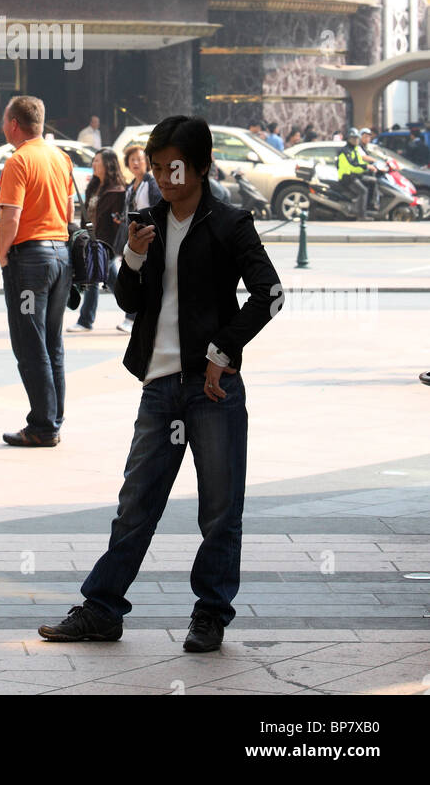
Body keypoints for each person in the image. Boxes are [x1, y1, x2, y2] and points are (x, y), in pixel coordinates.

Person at [38, 116, 281, 652]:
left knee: (220, 509)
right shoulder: (146, 219)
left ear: (200, 166)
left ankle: (210, 613)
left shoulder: (230, 223)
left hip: (212, 389)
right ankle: (102, 609)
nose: (166, 178)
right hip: (159, 387)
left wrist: (223, 349)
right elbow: (130, 302)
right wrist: (132, 255)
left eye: (175, 167)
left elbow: (270, 294)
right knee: (136, 504)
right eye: (157, 166)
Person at [0, 95, 74, 447]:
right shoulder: (61, 158)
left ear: (14, 124)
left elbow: (10, 216)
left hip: (30, 260)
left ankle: (42, 425)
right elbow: (70, 210)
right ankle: (53, 418)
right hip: (61, 253)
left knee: (30, 344)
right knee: (52, 342)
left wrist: (2, 256)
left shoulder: (18, 161)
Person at [67, 148, 126, 335]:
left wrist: (112, 247)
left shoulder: (117, 192)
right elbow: (87, 215)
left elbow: (118, 222)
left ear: (108, 165)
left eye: (97, 161)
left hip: (105, 244)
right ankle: (135, 313)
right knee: (111, 281)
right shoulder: (94, 186)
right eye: (93, 161)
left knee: (95, 278)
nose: (93, 164)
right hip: (91, 243)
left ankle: (86, 320)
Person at [115, 144, 162, 335]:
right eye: (132, 159)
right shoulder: (130, 186)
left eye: (140, 159)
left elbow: (158, 211)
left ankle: (131, 318)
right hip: (133, 239)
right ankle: (132, 317)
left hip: (148, 239)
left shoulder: (151, 184)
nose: (136, 163)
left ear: (148, 162)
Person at [336, 128, 378, 218]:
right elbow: (353, 165)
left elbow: (361, 161)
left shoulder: (354, 150)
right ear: (348, 139)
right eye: (353, 138)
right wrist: (367, 167)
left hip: (355, 176)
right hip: (347, 177)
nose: (355, 140)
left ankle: (371, 205)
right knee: (363, 191)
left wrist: (370, 166)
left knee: (373, 181)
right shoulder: (345, 151)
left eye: (356, 138)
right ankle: (361, 215)